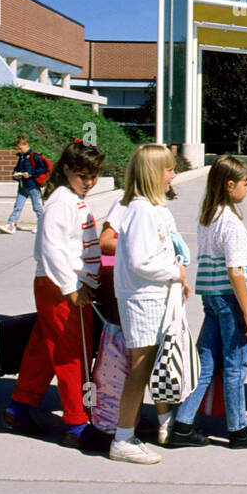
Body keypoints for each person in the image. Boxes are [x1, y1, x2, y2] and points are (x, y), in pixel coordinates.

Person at [2, 140, 109, 453]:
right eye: (82, 175)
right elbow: (51, 249)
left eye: (93, 176)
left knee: (44, 347)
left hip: (62, 285)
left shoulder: (70, 198)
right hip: (63, 287)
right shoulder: (61, 202)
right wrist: (72, 287)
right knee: (73, 353)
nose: (88, 182)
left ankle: (19, 406)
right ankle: (77, 423)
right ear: (66, 170)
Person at [166, 155, 247, 450]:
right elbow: (236, 271)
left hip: (211, 298)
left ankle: (183, 424)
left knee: (206, 362)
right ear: (230, 185)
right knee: (235, 365)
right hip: (230, 301)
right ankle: (239, 429)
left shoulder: (209, 216)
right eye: (245, 183)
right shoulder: (231, 223)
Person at [98, 162, 191, 445]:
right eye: (169, 170)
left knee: (155, 361)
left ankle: (161, 422)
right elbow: (124, 250)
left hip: (157, 293)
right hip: (138, 295)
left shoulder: (155, 209)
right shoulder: (132, 207)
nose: (174, 176)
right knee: (140, 367)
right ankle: (124, 435)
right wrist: (173, 271)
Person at [0, 135, 49, 234]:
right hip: (23, 185)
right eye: (18, 148)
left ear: (26, 145)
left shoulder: (34, 156)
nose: (19, 150)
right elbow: (17, 167)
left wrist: (30, 174)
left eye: (20, 148)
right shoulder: (22, 157)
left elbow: (42, 168)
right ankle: (11, 225)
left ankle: (44, 226)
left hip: (33, 186)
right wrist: (15, 173)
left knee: (37, 207)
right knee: (18, 206)